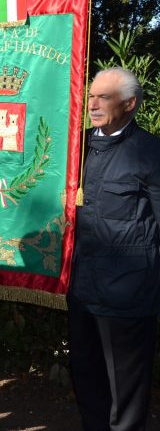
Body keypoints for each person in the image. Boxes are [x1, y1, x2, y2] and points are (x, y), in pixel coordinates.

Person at [67, 67, 160, 431]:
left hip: (127, 296)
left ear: (130, 103)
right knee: (87, 382)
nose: (93, 104)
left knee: (126, 397)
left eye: (104, 97)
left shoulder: (150, 152)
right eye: (91, 95)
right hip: (82, 290)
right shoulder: (77, 147)